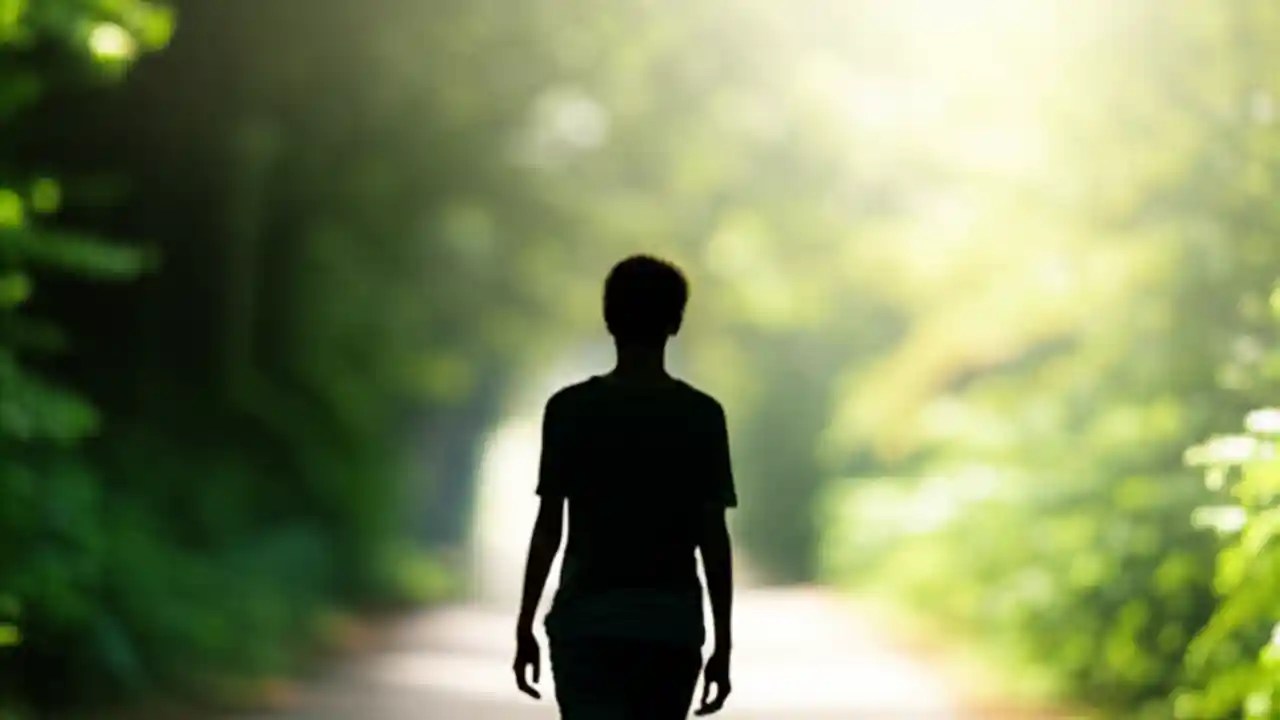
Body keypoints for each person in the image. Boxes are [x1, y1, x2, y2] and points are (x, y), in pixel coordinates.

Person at [513, 255, 737, 719]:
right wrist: (723, 644)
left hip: (587, 624)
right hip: (668, 628)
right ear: (675, 322)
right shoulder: (701, 417)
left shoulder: (570, 411)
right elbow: (712, 539)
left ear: (609, 319)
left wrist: (524, 625)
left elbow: (549, 528)